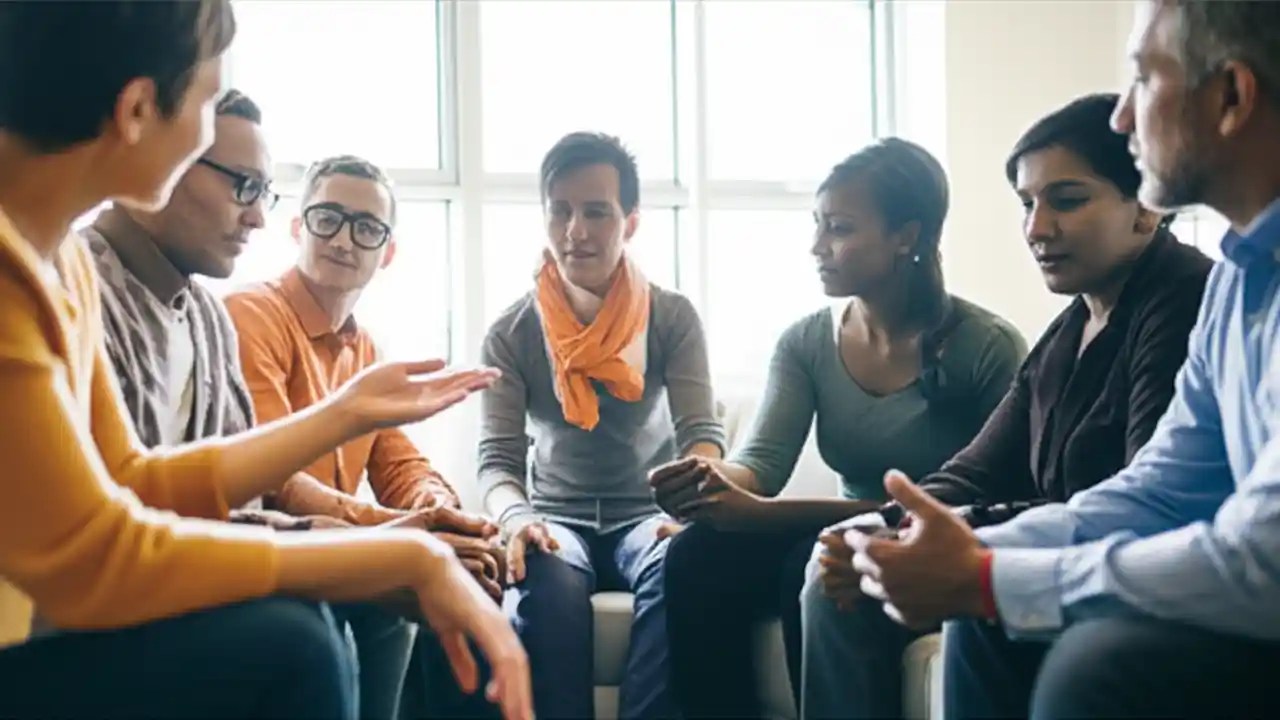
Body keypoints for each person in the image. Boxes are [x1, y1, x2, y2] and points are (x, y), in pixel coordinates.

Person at [0, 4, 530, 720]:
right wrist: (390, 553)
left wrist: (349, 414)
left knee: (308, 625)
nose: (252, 209)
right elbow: (93, 559)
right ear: (136, 108)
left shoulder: (59, 257)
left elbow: (132, 480)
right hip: (34, 634)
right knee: (291, 641)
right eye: (209, 102)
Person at [847, 2, 1280, 718]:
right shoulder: (1238, 279)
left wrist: (992, 575)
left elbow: (1265, 560)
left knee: (1097, 666)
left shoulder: (1187, 291)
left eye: (1143, 79)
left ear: (1231, 96)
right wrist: (972, 551)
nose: (1121, 119)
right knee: (988, 617)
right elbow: (1163, 489)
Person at [799, 93, 1212, 719]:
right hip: (1045, 545)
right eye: (1027, 205)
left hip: (1118, 569)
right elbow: (975, 469)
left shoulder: (1182, 302)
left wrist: (959, 532)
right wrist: (881, 525)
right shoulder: (1071, 329)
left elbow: (1135, 496)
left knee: (971, 607)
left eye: (1067, 201)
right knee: (839, 577)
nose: (1037, 228)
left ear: (1147, 206)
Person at [650, 137, 1027, 719]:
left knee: (818, 557)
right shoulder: (806, 342)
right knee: (697, 555)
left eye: (840, 229)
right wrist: (707, 480)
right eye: (818, 225)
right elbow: (761, 468)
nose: (818, 247)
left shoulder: (988, 349)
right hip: (840, 527)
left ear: (907, 236)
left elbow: (991, 502)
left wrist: (756, 512)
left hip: (926, 542)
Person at [223, 154, 506, 720]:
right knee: (413, 581)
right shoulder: (250, 314)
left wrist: (441, 511)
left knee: (477, 575)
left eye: (367, 227)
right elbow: (279, 481)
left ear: (387, 253)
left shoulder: (367, 348)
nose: (344, 239)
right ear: (298, 226)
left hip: (337, 547)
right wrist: (405, 531)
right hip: (272, 547)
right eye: (328, 217)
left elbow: (400, 466)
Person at [478, 131, 726, 719]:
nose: (576, 231)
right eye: (560, 211)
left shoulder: (672, 317)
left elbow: (702, 435)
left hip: (649, 514)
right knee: (543, 571)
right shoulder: (511, 333)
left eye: (596, 212)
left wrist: (686, 510)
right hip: (556, 516)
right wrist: (518, 520)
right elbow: (497, 461)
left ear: (630, 222)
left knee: (683, 558)